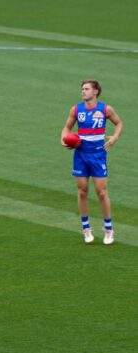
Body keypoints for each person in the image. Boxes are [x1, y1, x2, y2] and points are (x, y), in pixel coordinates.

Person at [61, 79, 123, 245]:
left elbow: (119, 123)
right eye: (82, 89)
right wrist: (64, 139)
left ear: (95, 91)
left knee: (101, 192)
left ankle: (109, 229)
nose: (83, 91)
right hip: (80, 155)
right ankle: (86, 227)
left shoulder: (105, 109)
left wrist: (115, 136)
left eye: (87, 89)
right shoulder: (76, 109)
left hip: (98, 155)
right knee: (82, 191)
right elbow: (66, 127)